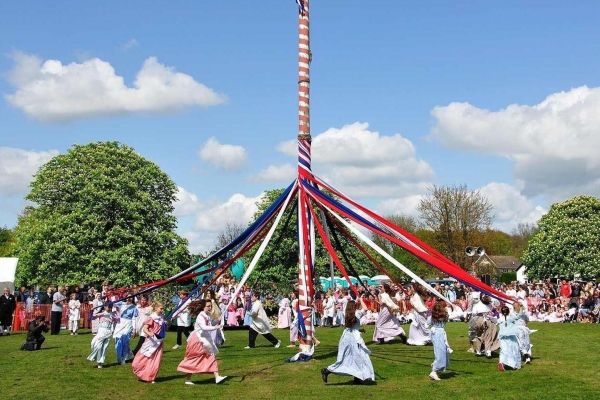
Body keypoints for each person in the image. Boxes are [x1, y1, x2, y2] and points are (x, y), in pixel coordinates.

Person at [321, 298, 374, 385]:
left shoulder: (346, 314)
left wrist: (359, 330)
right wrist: (361, 299)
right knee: (359, 357)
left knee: (352, 358)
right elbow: (365, 308)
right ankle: (327, 370)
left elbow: (351, 328)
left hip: (346, 338)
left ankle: (357, 379)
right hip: (354, 339)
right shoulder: (356, 313)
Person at [177, 299, 228, 385]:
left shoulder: (208, 315)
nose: (210, 308)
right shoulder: (201, 316)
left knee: (211, 356)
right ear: (203, 307)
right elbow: (204, 327)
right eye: (208, 306)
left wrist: (218, 319)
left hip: (204, 339)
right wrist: (216, 327)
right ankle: (188, 379)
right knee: (194, 358)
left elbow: (210, 324)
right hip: (197, 340)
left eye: (210, 306)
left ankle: (217, 377)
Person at [132, 301, 167, 383]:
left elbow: (164, 329)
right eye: (161, 308)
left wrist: (165, 324)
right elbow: (145, 329)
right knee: (144, 357)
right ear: (155, 308)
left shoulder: (163, 317)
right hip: (150, 341)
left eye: (163, 309)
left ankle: (151, 376)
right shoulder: (151, 318)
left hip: (159, 342)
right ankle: (141, 372)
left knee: (155, 360)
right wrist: (150, 334)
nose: (162, 310)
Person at [497, 305, 525, 371]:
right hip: (511, 337)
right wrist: (521, 307)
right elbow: (519, 315)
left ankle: (501, 362)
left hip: (503, 337)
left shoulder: (499, 319)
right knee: (513, 350)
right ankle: (512, 363)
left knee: (503, 350)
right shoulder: (511, 318)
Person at [428, 301, 450, 381]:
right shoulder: (443, 316)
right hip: (438, 334)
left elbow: (427, 324)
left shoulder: (434, 317)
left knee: (442, 351)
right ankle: (434, 371)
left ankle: (435, 365)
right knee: (440, 351)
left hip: (438, 334)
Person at [113, 295, 138, 365]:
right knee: (117, 341)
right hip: (120, 324)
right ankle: (123, 355)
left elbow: (134, 319)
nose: (129, 299)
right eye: (128, 297)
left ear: (133, 299)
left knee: (125, 341)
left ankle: (123, 358)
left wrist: (134, 329)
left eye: (131, 297)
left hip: (128, 324)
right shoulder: (121, 304)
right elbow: (113, 304)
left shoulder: (134, 307)